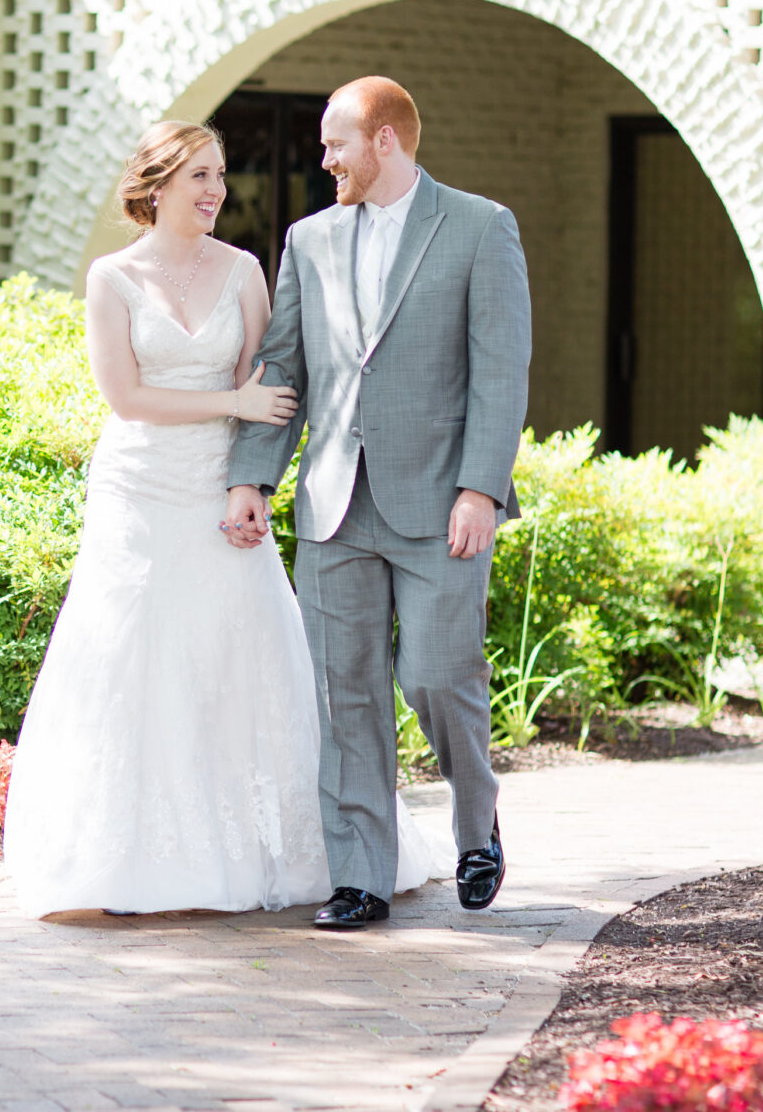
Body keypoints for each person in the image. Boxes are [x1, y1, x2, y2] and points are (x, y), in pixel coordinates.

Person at [3, 120, 453, 918]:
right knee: (130, 659)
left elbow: (270, 387)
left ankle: (291, 847)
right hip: (138, 494)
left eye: (219, 174)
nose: (216, 190)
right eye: (198, 177)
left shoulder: (246, 269)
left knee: (239, 656)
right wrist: (233, 399)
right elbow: (126, 397)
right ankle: (124, 859)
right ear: (156, 187)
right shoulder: (111, 278)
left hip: (219, 490)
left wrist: (255, 483)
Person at [224, 75, 531, 929]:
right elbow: (283, 367)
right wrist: (253, 475)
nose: (324, 160)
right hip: (332, 504)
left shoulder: (479, 227)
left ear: (385, 139)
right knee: (343, 692)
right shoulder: (309, 240)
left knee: (438, 674)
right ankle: (360, 873)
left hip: (441, 505)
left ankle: (478, 821)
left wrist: (481, 488)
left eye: (336, 145)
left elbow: (501, 372)